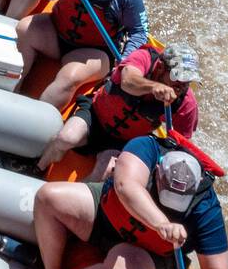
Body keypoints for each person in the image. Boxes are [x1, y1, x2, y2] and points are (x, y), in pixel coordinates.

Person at [31, 135, 228, 269]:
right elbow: (126, 186)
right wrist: (161, 223)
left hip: (152, 254)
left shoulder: (206, 205)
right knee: (48, 197)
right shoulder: (147, 148)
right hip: (108, 216)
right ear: (157, 171)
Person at [15, 0, 148, 110]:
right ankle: (13, 91)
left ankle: (33, 120)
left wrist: (124, 62)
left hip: (94, 51)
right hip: (57, 33)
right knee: (23, 28)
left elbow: (139, 31)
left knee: (69, 77)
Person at [39, 43, 201, 179]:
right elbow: (127, 81)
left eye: (187, 82)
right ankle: (37, 167)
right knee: (65, 139)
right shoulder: (143, 58)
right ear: (160, 67)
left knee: (106, 172)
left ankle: (69, 203)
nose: (181, 86)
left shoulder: (186, 104)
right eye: (177, 77)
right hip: (94, 115)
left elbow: (180, 145)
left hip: (123, 142)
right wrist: (154, 87)